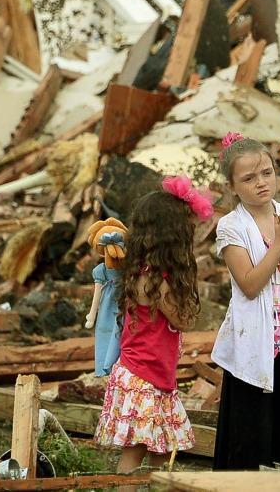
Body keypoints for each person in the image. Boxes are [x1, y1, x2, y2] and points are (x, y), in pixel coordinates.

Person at [94, 176, 213, 487]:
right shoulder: (158, 282)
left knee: (161, 446)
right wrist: (186, 278)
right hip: (144, 378)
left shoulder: (140, 272)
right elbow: (181, 320)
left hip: (149, 374)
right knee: (136, 451)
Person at [210, 132, 280, 471]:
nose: (261, 182)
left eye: (267, 173)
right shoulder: (231, 226)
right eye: (248, 178)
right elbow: (250, 284)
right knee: (249, 439)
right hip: (252, 345)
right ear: (231, 186)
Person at [84, 217, 128, 377]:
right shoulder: (102, 270)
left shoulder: (127, 266)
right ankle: (109, 366)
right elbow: (97, 293)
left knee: (122, 334)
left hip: (125, 301)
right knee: (107, 332)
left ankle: (121, 365)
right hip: (110, 306)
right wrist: (92, 313)